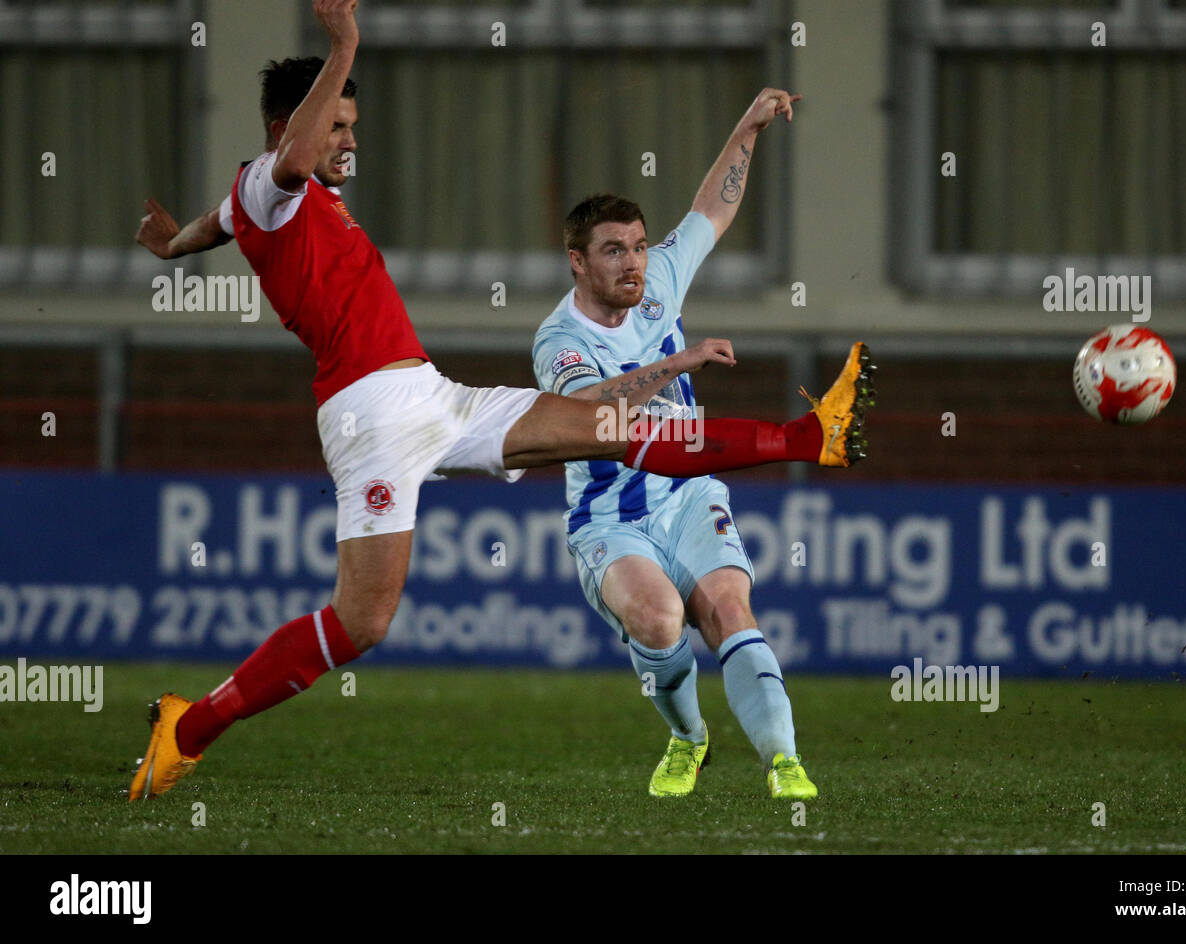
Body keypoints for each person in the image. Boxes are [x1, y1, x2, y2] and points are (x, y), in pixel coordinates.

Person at [128, 0, 873, 801]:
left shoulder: (263, 198)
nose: (349, 140)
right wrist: (344, 40)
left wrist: (173, 244)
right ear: (287, 129)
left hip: (429, 393)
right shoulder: (276, 184)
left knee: (620, 430)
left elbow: (218, 221)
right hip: (369, 416)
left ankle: (810, 436)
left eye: (351, 124)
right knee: (362, 623)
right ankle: (190, 725)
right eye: (337, 125)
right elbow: (276, 174)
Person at [533, 90, 873, 800]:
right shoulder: (560, 340)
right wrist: (675, 366)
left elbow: (710, 211)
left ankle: (784, 761)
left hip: (686, 492)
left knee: (727, 608)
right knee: (658, 618)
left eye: (637, 245)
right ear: (576, 262)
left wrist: (746, 128)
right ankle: (688, 739)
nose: (633, 263)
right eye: (613, 251)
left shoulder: (657, 277)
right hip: (609, 516)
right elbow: (583, 408)